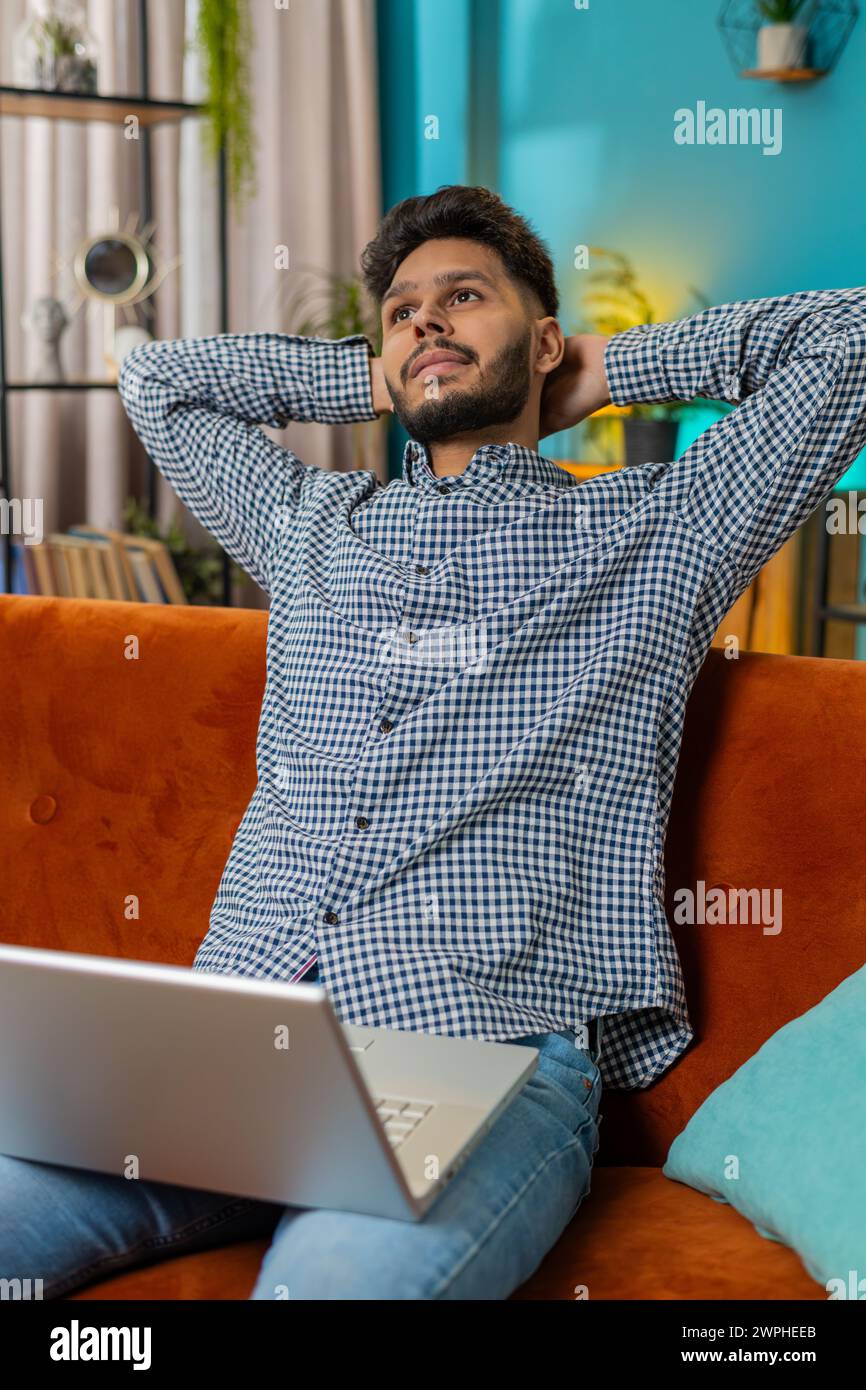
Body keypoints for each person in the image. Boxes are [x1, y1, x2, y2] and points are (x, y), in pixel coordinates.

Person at [3, 186, 864, 1300]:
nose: (425, 321)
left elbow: (847, 338)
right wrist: (370, 374)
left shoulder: (652, 534)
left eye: (465, 297)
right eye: (401, 310)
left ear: (544, 338)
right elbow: (157, 382)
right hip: (233, 1055)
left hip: (478, 1060)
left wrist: (597, 374)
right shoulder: (311, 525)